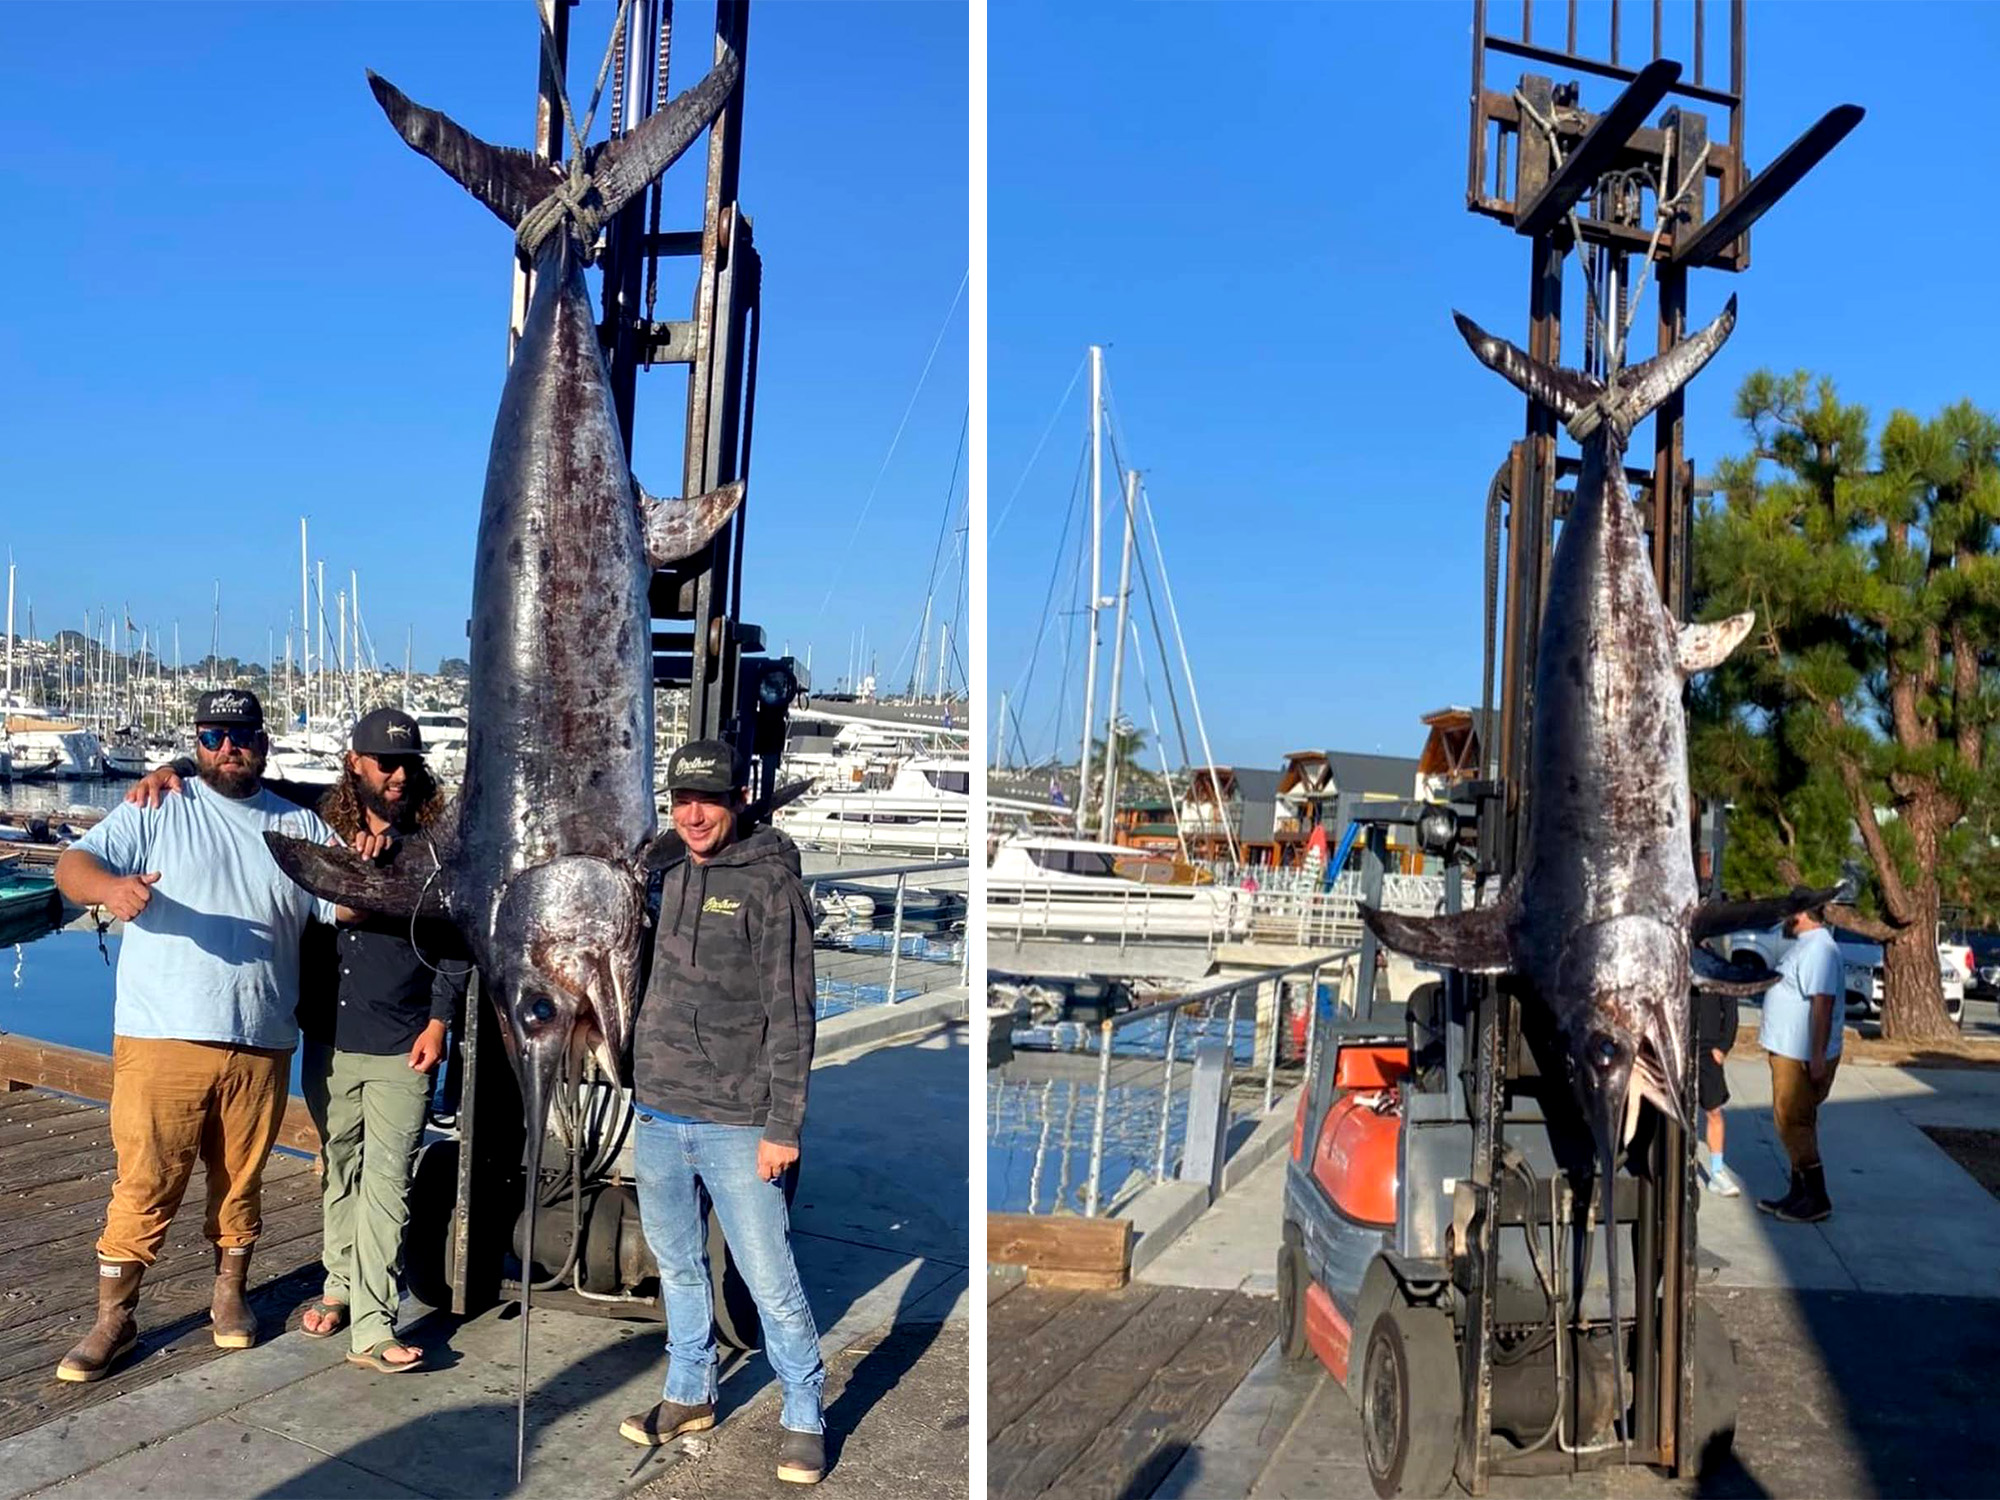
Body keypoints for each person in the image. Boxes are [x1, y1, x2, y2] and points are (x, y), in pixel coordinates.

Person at [130, 707, 469, 1372]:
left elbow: (460, 937)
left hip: (405, 1036)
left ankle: (373, 1324)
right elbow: (234, 781)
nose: (397, 775)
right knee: (339, 1167)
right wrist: (166, 769)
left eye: (407, 762)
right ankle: (341, 1282)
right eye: (383, 762)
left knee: (388, 1180)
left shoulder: (437, 842)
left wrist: (439, 1020)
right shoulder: (315, 821)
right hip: (329, 1033)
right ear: (355, 762)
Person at [50, 690, 375, 1382]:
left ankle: (229, 1295)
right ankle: (115, 1317)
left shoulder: (299, 827)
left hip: (261, 1036)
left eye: (243, 735)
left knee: (240, 1183)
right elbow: (70, 867)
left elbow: (345, 902)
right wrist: (110, 891)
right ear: (196, 741)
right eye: (214, 734)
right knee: (144, 1181)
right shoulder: (158, 805)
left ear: (264, 742)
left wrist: (372, 861)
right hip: (162, 1034)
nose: (230, 746)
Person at [619, 739, 827, 1486]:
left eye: (707, 799)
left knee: (768, 1275)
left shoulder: (771, 885)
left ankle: (804, 1411)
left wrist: (784, 1128)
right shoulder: (662, 871)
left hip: (739, 1120)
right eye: (681, 800)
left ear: (737, 799)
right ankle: (689, 1391)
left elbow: (794, 1011)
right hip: (659, 1110)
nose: (694, 814)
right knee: (677, 1266)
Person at [1755, 891, 1844, 1222]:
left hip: (1801, 1053)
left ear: (1804, 914)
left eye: (1792, 910)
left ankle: (1817, 1198)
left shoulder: (1819, 949)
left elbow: (1823, 1004)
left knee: (1795, 1122)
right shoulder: (1806, 945)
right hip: (1788, 1050)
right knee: (1788, 1121)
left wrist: (1818, 1055)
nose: (1786, 915)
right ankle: (1798, 1192)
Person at [1695, 983, 1744, 1197]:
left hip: (1709, 1049)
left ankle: (1716, 1172)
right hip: (1679, 1044)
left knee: (1714, 1111)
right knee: (1674, 1112)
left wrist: (1724, 1045)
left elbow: (1731, 1010)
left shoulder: (1716, 966)